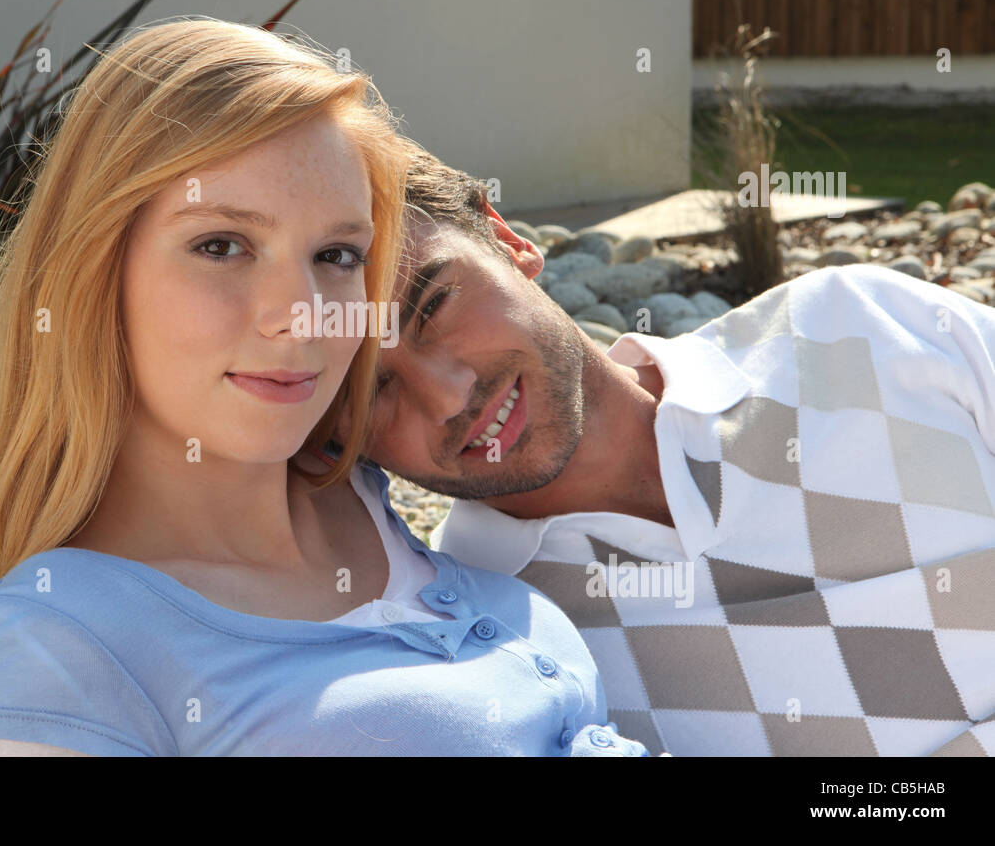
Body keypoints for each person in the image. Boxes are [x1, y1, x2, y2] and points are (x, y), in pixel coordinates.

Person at [0, 18, 650, 756]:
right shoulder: (50, 651)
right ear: (94, 272)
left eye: (337, 254)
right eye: (221, 246)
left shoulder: (363, 501)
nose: (303, 314)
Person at [353, 145, 995, 757]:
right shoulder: (487, 656)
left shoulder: (863, 326)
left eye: (433, 305)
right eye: (370, 391)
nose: (447, 396)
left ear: (505, 239)